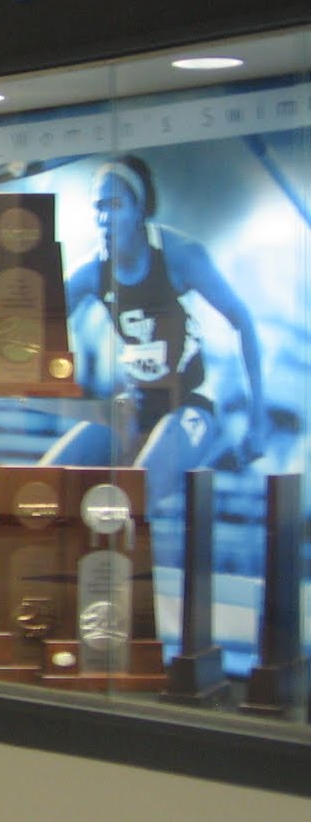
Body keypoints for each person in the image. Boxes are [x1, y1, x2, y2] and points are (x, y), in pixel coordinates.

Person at [44, 155, 266, 567]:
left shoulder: (181, 255)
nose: (104, 219)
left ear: (140, 209)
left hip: (192, 403)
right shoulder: (91, 271)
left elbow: (244, 323)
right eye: (97, 207)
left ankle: (114, 597)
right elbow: (37, 328)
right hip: (136, 404)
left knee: (131, 497)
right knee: (42, 485)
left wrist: (257, 417)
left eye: (114, 206)